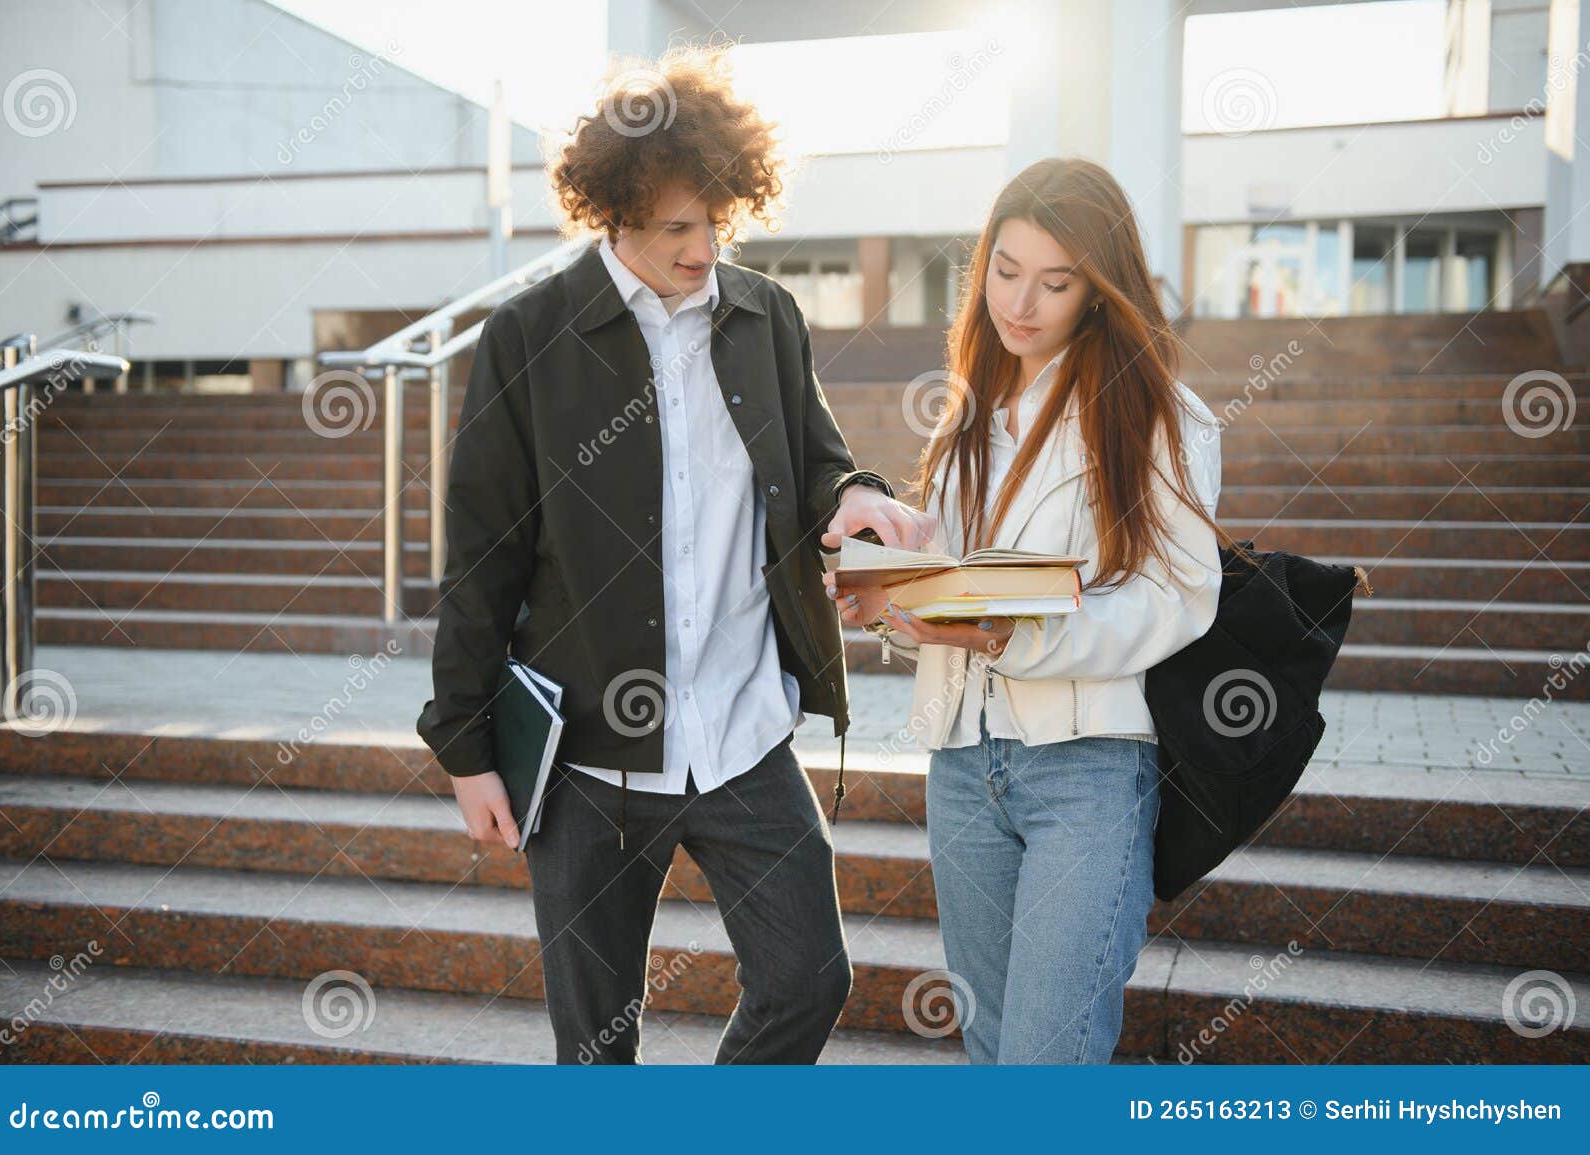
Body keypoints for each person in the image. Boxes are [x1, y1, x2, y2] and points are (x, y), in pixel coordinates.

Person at [416, 45, 934, 1064]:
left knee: (807, 979)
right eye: (674, 229)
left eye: (717, 223)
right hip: (591, 756)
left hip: (742, 730)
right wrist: (466, 749)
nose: (703, 251)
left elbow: (817, 458)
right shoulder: (528, 335)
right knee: (596, 1048)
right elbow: (481, 556)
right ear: (612, 211)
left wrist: (857, 496)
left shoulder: (762, 316)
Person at [827, 157, 1235, 1064]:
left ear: (1100, 289)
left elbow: (1179, 599)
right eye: (1004, 271)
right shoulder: (972, 412)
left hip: (1088, 768)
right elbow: (959, 583)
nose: (1020, 301)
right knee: (994, 1048)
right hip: (966, 766)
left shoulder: (1162, 413)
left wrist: (1017, 636)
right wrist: (893, 597)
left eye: (1055, 282)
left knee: (1048, 1058)